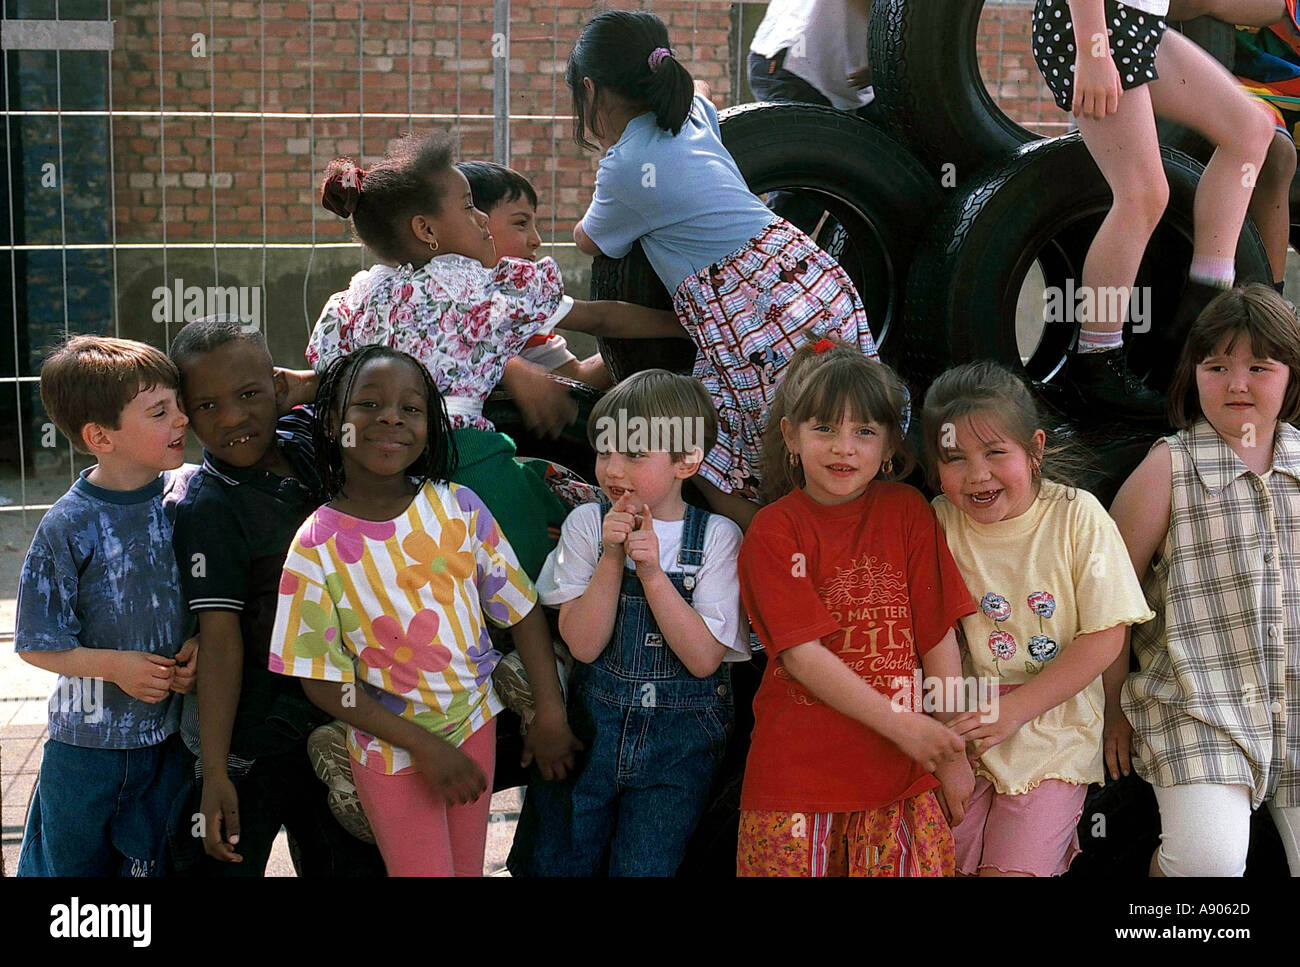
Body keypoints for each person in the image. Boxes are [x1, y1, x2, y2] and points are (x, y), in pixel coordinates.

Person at [302, 132, 682, 580]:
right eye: (469, 207)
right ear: (426, 231)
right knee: (542, 562)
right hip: (464, 459)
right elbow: (600, 319)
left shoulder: (352, 300)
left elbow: (326, 375)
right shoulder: (475, 288)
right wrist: (684, 323)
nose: (482, 219)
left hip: (369, 466)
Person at [268, 346, 581, 875]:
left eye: (411, 409)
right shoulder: (315, 545)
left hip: (474, 727)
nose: (391, 416)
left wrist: (549, 711)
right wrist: (426, 749)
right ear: (331, 422)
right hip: (390, 750)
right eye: (368, 403)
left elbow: (521, 611)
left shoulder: (459, 508)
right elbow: (321, 679)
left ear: (431, 426)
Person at [567, 9, 882, 530]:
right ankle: (840, 527)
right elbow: (705, 100)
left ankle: (777, 542)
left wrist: (610, 159)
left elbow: (589, 241)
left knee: (704, 450)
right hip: (806, 272)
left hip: (750, 309)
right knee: (824, 419)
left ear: (590, 90)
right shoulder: (691, 110)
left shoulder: (625, 168)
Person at [736, 340, 972, 876]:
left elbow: (937, 640)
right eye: (824, 429)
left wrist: (950, 750)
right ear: (791, 436)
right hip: (795, 780)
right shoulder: (774, 531)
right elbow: (803, 657)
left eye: (864, 432)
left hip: (901, 779)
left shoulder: (907, 511)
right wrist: (908, 728)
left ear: (889, 446)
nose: (844, 448)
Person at [165, 317, 385, 876]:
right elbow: (220, 640)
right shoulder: (210, 507)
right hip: (253, 740)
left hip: (338, 728)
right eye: (208, 405)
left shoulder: (311, 443)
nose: (234, 417)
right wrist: (215, 771)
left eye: (249, 394)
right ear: (186, 413)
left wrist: (308, 386)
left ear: (279, 386)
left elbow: (375, 382)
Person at [507, 370, 750, 876]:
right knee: (560, 860)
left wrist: (655, 574)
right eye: (604, 452)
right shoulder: (586, 526)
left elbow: (704, 659)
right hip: (593, 732)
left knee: (645, 866)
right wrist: (612, 561)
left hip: (677, 750)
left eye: (635, 455)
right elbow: (585, 646)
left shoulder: (716, 538)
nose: (613, 469)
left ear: (686, 460)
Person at [922, 360, 1154, 876]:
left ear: (1036, 449)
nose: (977, 474)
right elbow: (932, 635)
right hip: (964, 723)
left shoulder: (1077, 516)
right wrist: (947, 748)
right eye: (954, 458)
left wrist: (1020, 711)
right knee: (940, 862)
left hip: (1055, 720)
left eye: (996, 452)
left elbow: (1104, 636)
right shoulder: (937, 521)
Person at [1107, 283, 1300, 876]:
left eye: (1259, 367)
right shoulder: (1170, 467)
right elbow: (1108, 599)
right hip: (1199, 710)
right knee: (1209, 864)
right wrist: (1111, 709)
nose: (1237, 383)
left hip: (1295, 704)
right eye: (1217, 366)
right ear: (1193, 373)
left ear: (1291, 376)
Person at [1031, 0, 1276, 415]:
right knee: (1142, 195)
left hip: (1139, 24)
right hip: (1089, 27)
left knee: (1252, 129)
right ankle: (1095, 360)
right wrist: (1094, 52)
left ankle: (1201, 306)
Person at [15, 336, 196, 876]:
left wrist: (200, 645)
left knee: (146, 867)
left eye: (178, 403)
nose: (182, 419)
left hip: (164, 740)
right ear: (99, 436)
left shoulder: (187, 497)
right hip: (84, 751)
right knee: (68, 873)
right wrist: (115, 667)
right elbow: (35, 643)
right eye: (160, 411)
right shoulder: (68, 525)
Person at [1168, 0, 1295, 293]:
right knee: (1275, 151)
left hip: (1289, 87)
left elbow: (1280, 10)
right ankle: (1271, 301)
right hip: (1231, 86)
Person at [457, 159, 612, 392]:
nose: (536, 240)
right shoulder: (518, 292)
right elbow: (581, 379)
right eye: (521, 223)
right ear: (476, 222)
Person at [747, 0, 876, 233]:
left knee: (822, 182)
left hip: (808, 69)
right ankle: (765, 265)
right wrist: (882, 50)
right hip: (796, 68)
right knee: (804, 187)